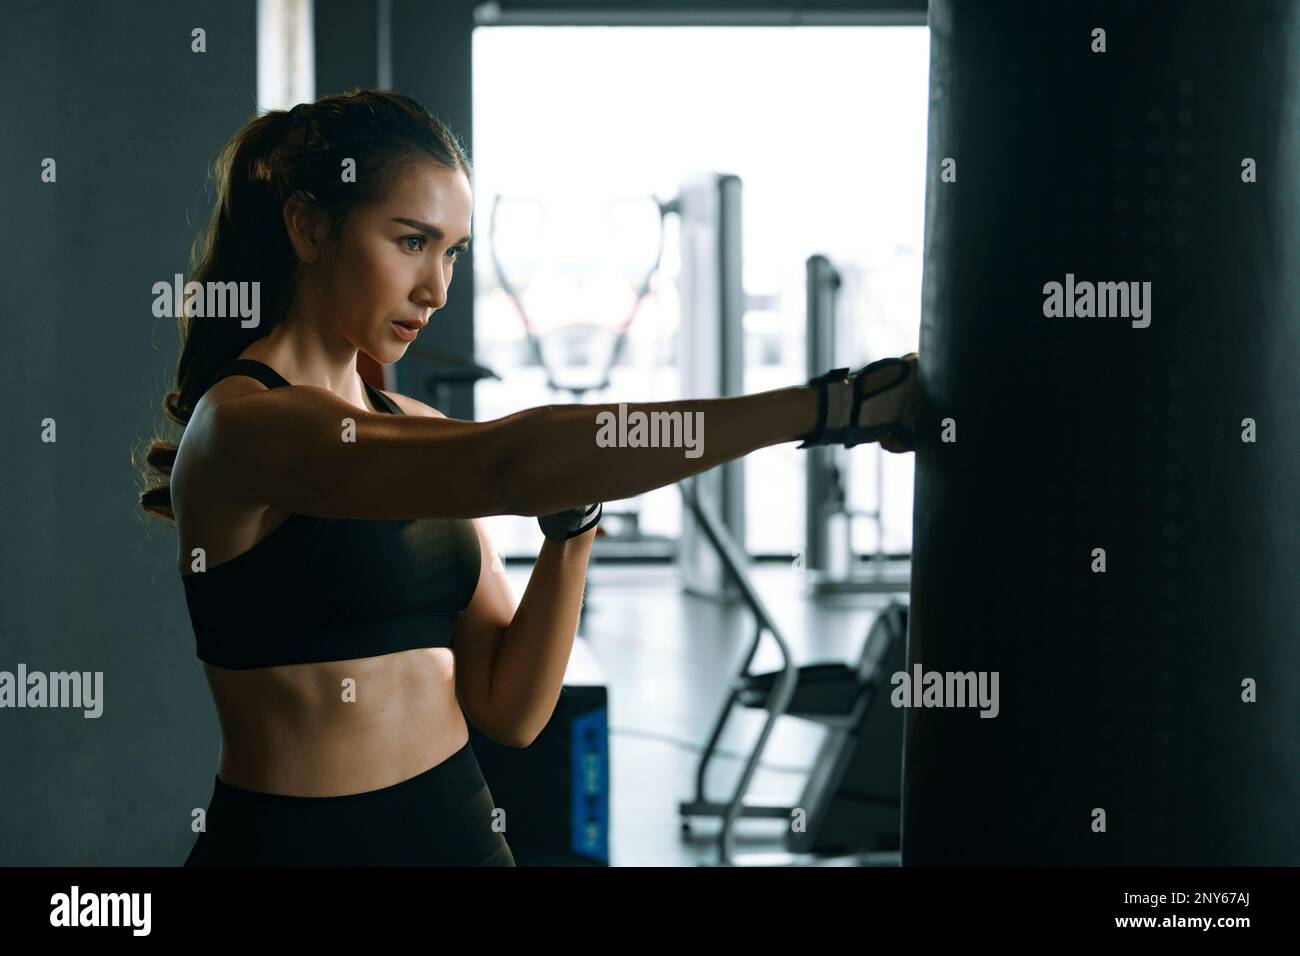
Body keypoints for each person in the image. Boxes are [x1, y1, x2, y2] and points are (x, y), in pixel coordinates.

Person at [136, 89, 918, 866]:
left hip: (463, 835)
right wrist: (828, 408)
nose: (436, 288)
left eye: (450, 253)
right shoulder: (241, 425)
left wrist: (570, 534)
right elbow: (505, 465)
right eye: (411, 242)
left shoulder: (417, 426)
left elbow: (509, 708)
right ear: (310, 226)